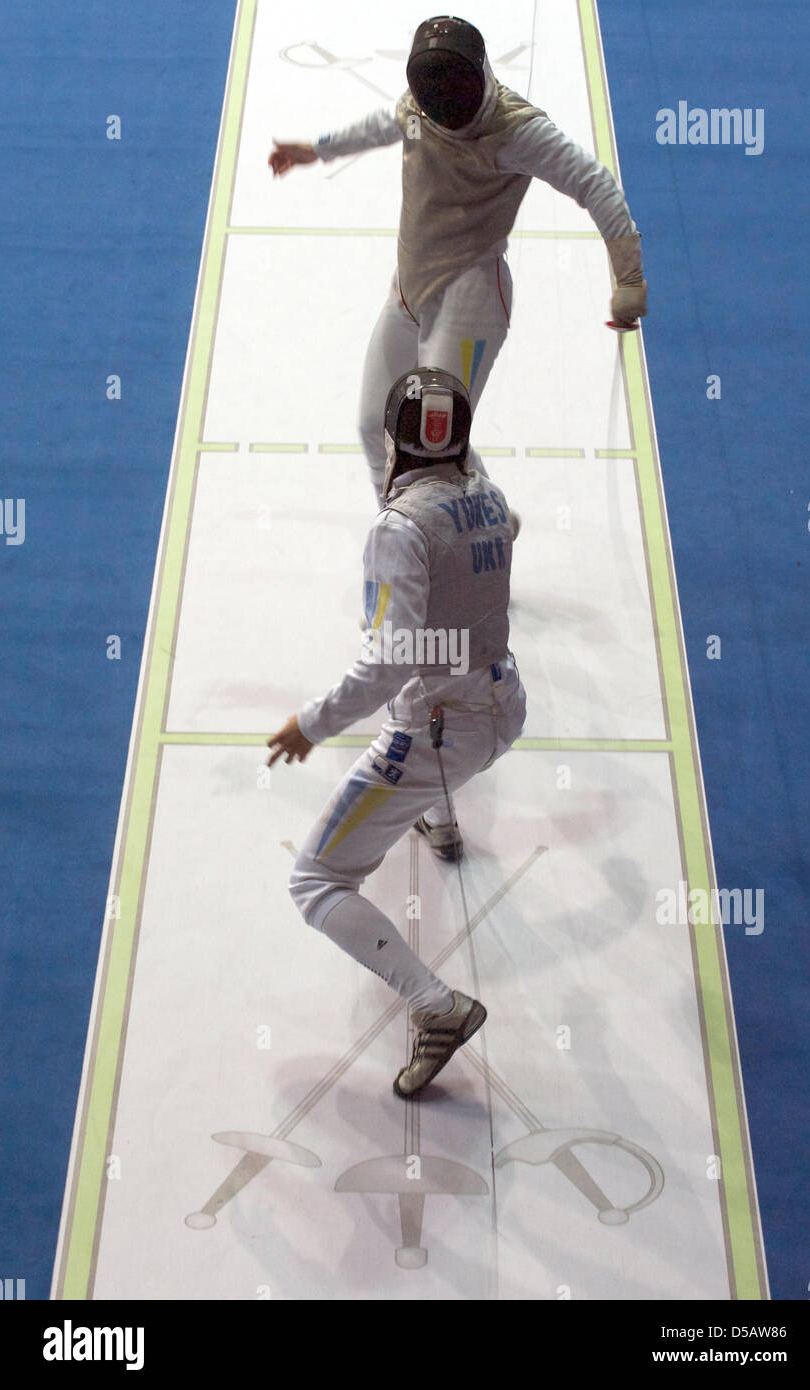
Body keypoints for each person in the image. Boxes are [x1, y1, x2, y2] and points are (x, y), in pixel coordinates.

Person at [266, 368, 527, 1098]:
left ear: (394, 442)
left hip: (444, 735)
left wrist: (310, 724)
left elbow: (389, 665)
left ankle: (438, 1009)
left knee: (316, 880)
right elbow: (459, 629)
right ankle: (439, 822)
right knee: (426, 704)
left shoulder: (400, 528)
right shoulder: (490, 498)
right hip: (505, 701)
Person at [268, 15, 646, 502]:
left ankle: (473, 524)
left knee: (434, 439)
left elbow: (594, 183)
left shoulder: (516, 131)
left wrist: (629, 277)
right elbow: (384, 124)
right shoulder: (418, 112)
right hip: (408, 288)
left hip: (472, 299)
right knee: (374, 424)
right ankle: (406, 524)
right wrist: (317, 149)